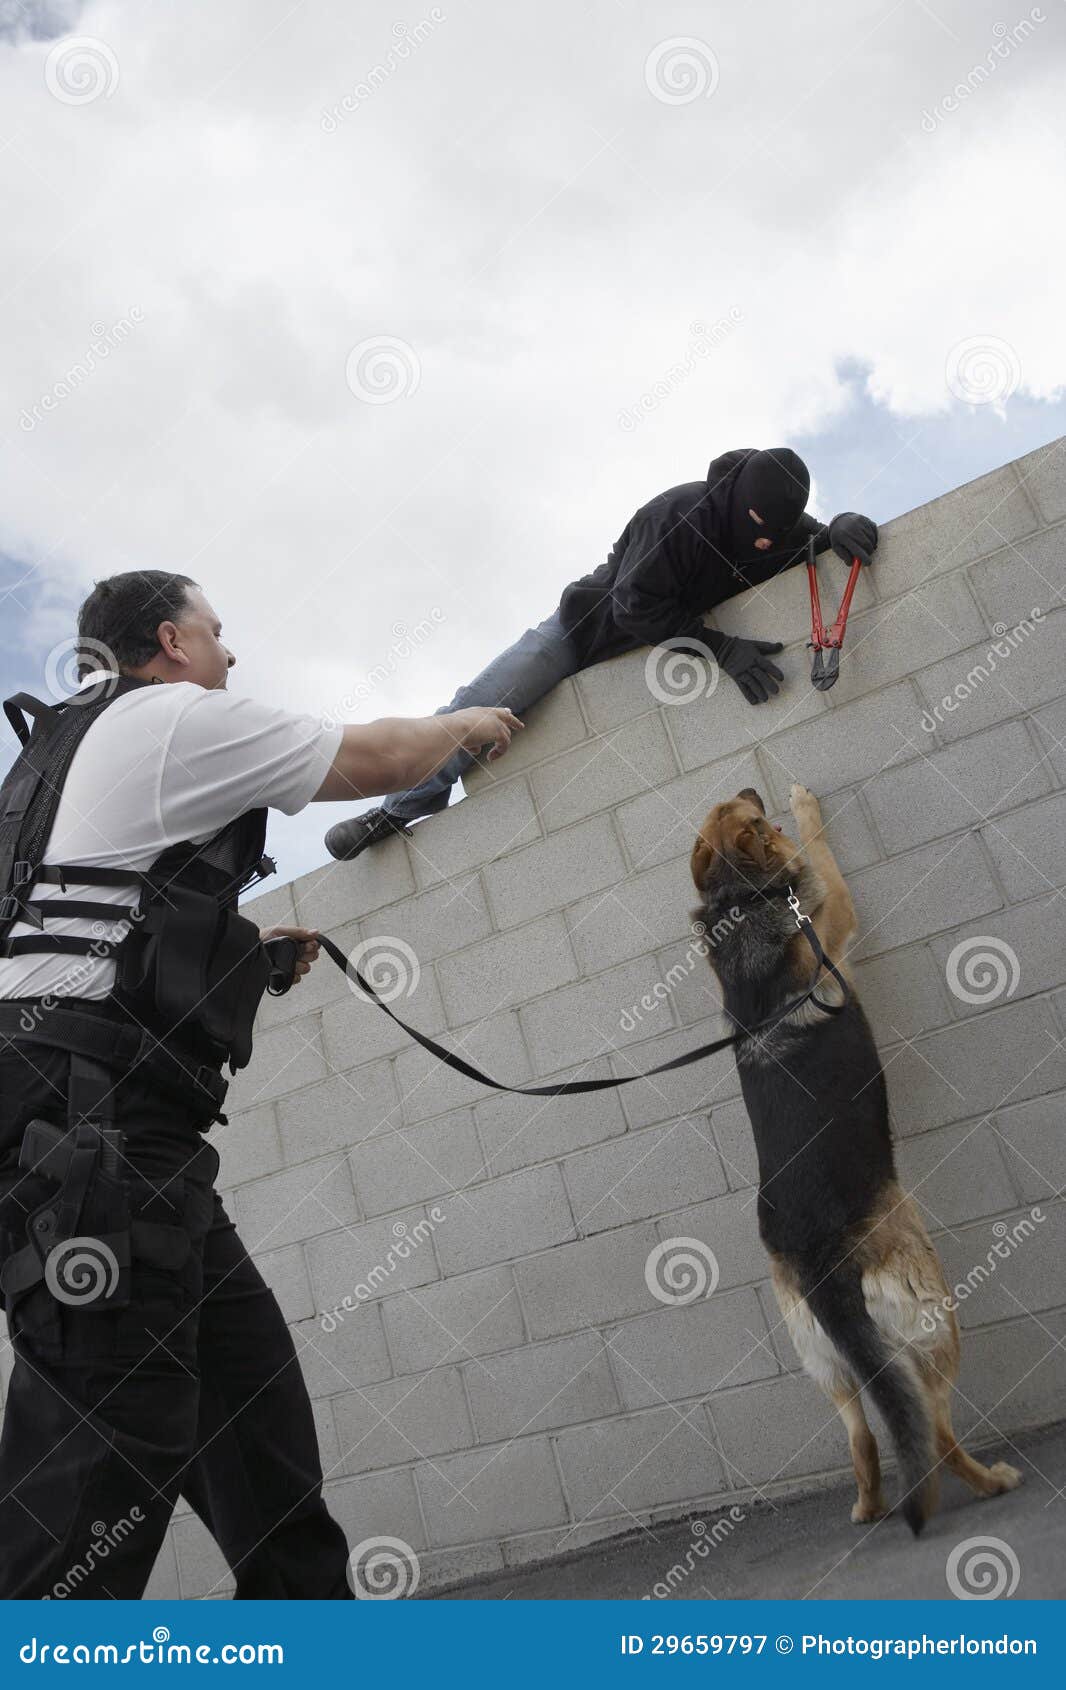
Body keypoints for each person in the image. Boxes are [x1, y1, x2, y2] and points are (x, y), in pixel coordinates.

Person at [0, 569, 520, 1600]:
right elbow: (372, 757)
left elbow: (85, 944)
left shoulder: (53, 763)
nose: (229, 653)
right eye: (217, 632)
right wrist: (466, 721)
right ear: (170, 640)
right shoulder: (169, 717)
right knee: (99, 1473)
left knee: (256, 1430)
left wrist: (245, 956)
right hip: (92, 1143)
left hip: (114, 1143)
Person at [323, 446, 878, 862]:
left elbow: (811, 539)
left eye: (773, 535)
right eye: (758, 529)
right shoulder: (679, 516)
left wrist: (841, 529)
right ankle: (396, 810)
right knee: (481, 704)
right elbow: (634, 609)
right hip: (582, 632)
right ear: (738, 502)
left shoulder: (770, 524)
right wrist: (721, 647)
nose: (763, 543)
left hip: (645, 646)